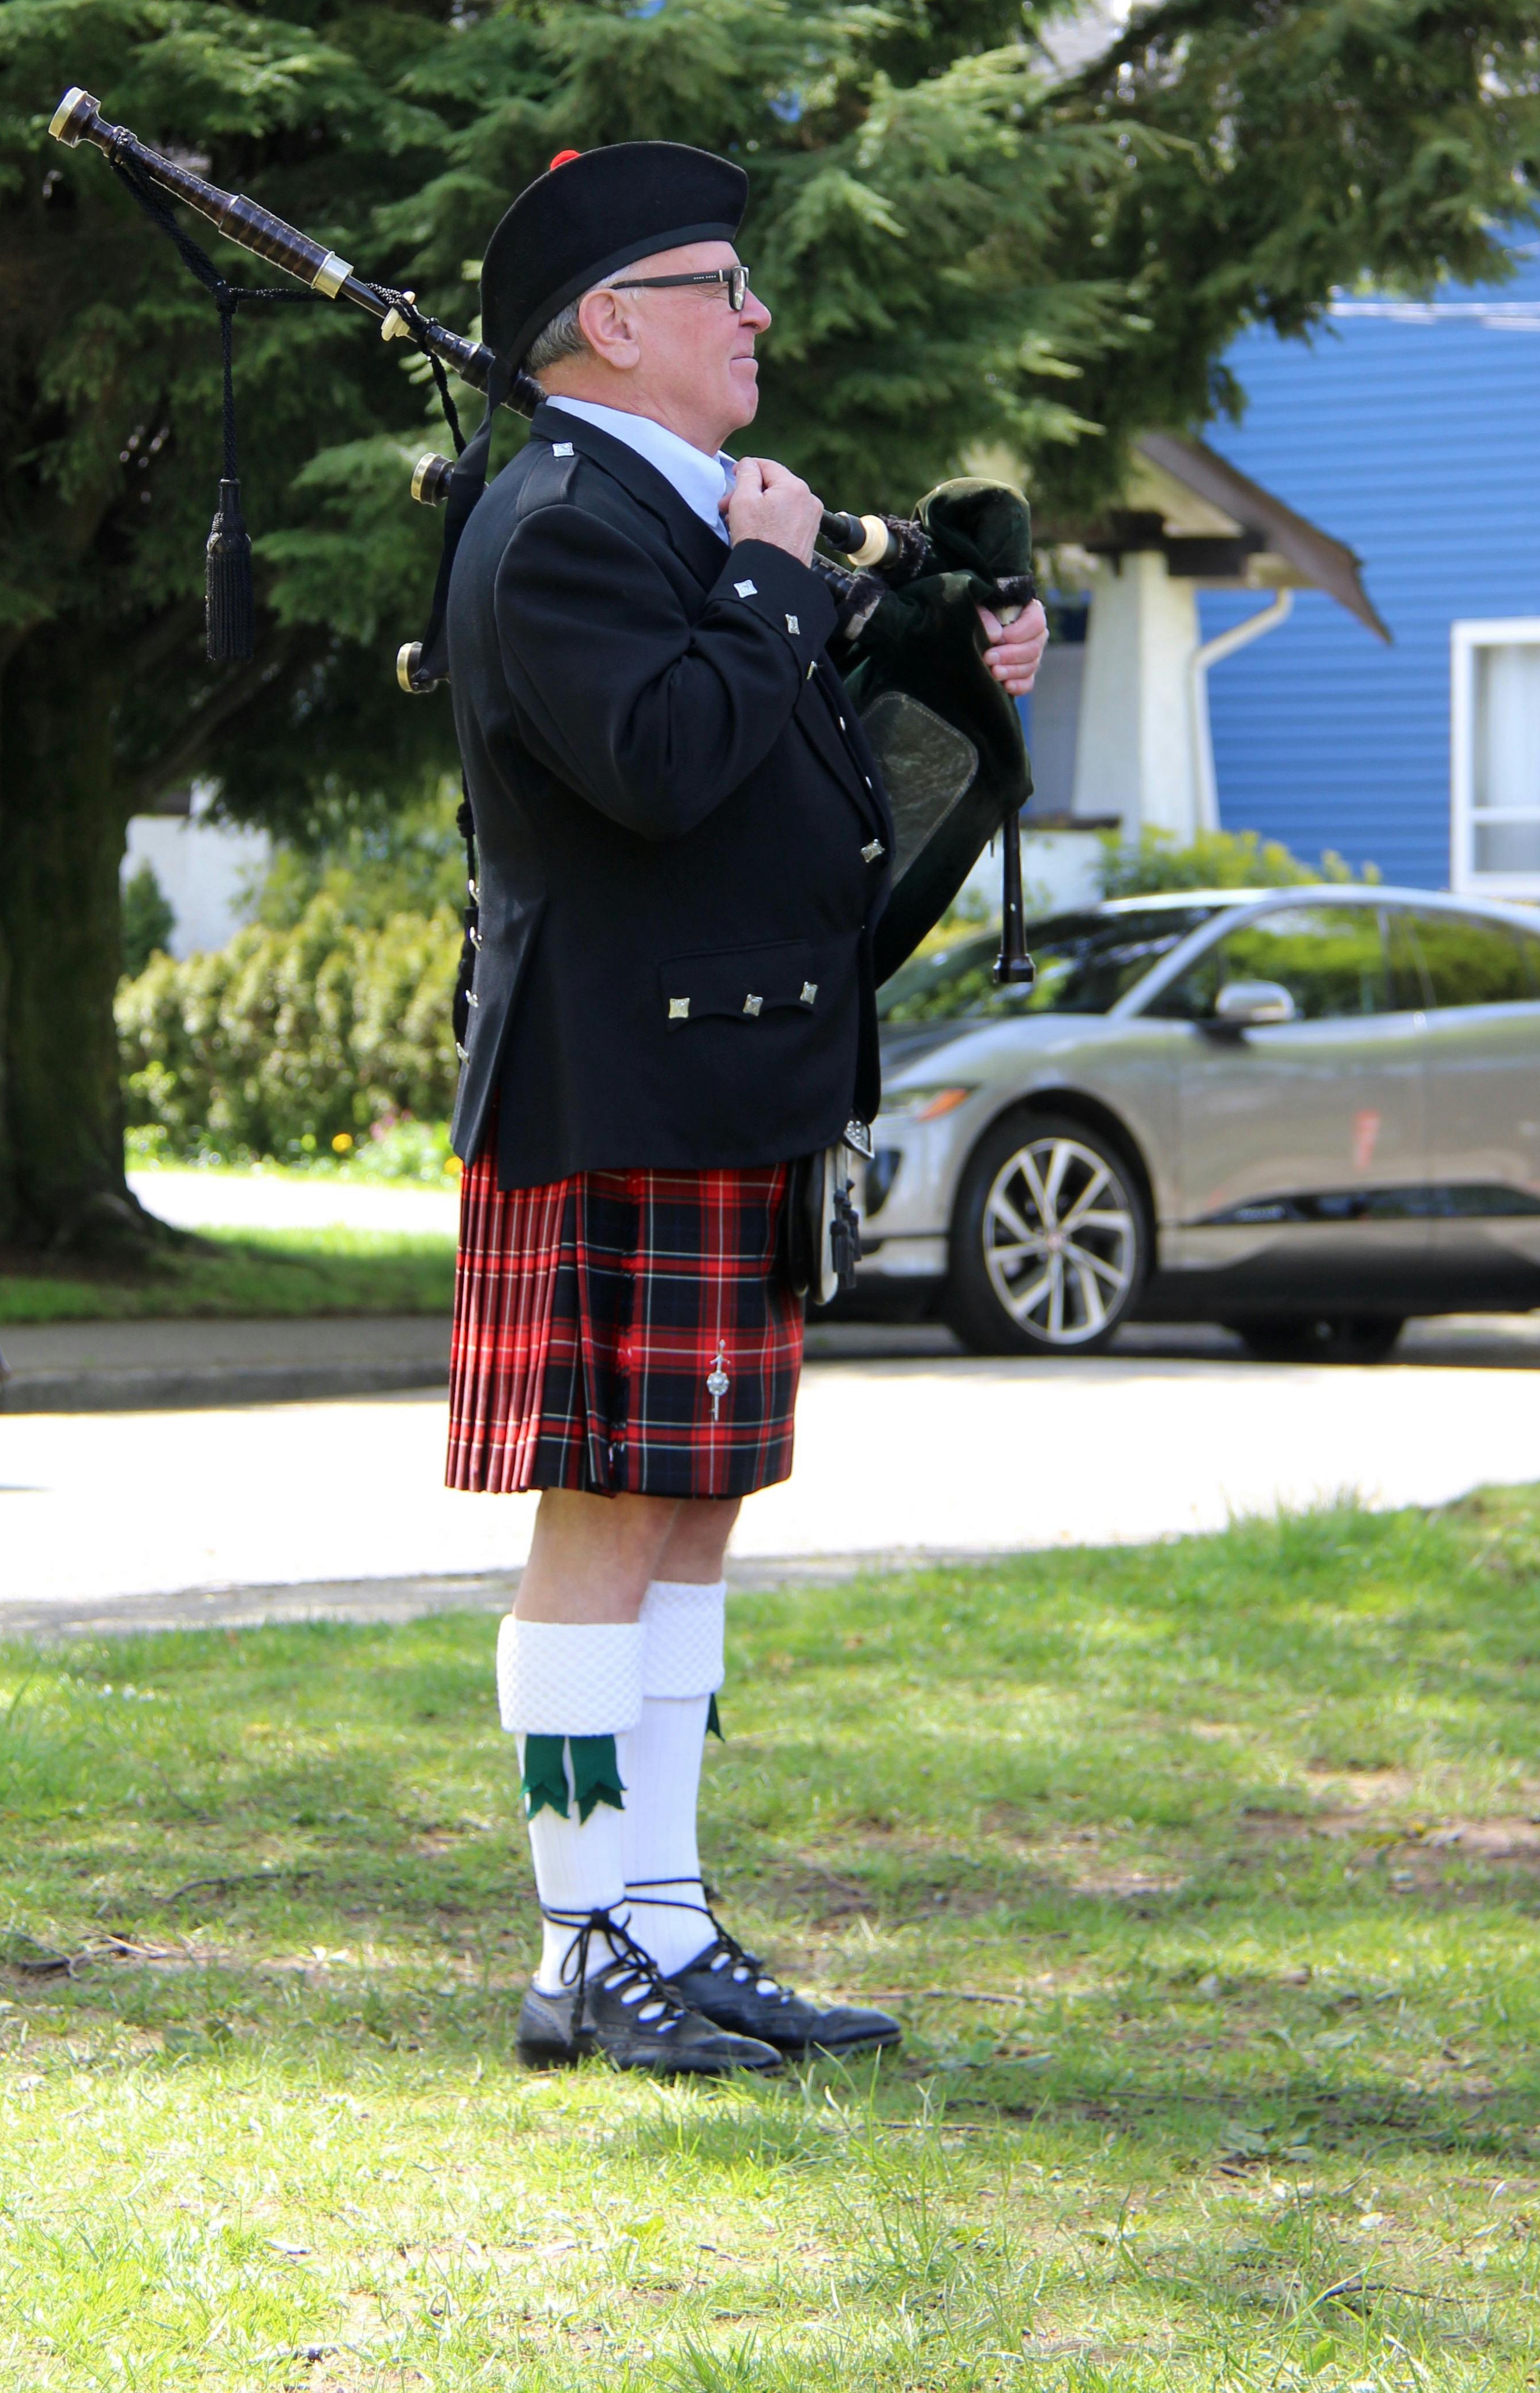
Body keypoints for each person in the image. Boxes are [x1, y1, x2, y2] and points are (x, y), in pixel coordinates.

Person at [442, 141, 1046, 2075]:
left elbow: (806, 741)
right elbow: (664, 759)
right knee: (609, 1508)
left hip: (733, 1071)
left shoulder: (682, 513)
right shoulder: (558, 524)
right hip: (620, 1081)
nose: (759, 312)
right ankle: (577, 1946)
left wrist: (951, 648)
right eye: (722, 283)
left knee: (695, 1506)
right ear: (615, 324)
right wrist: (781, 576)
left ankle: (667, 1914)